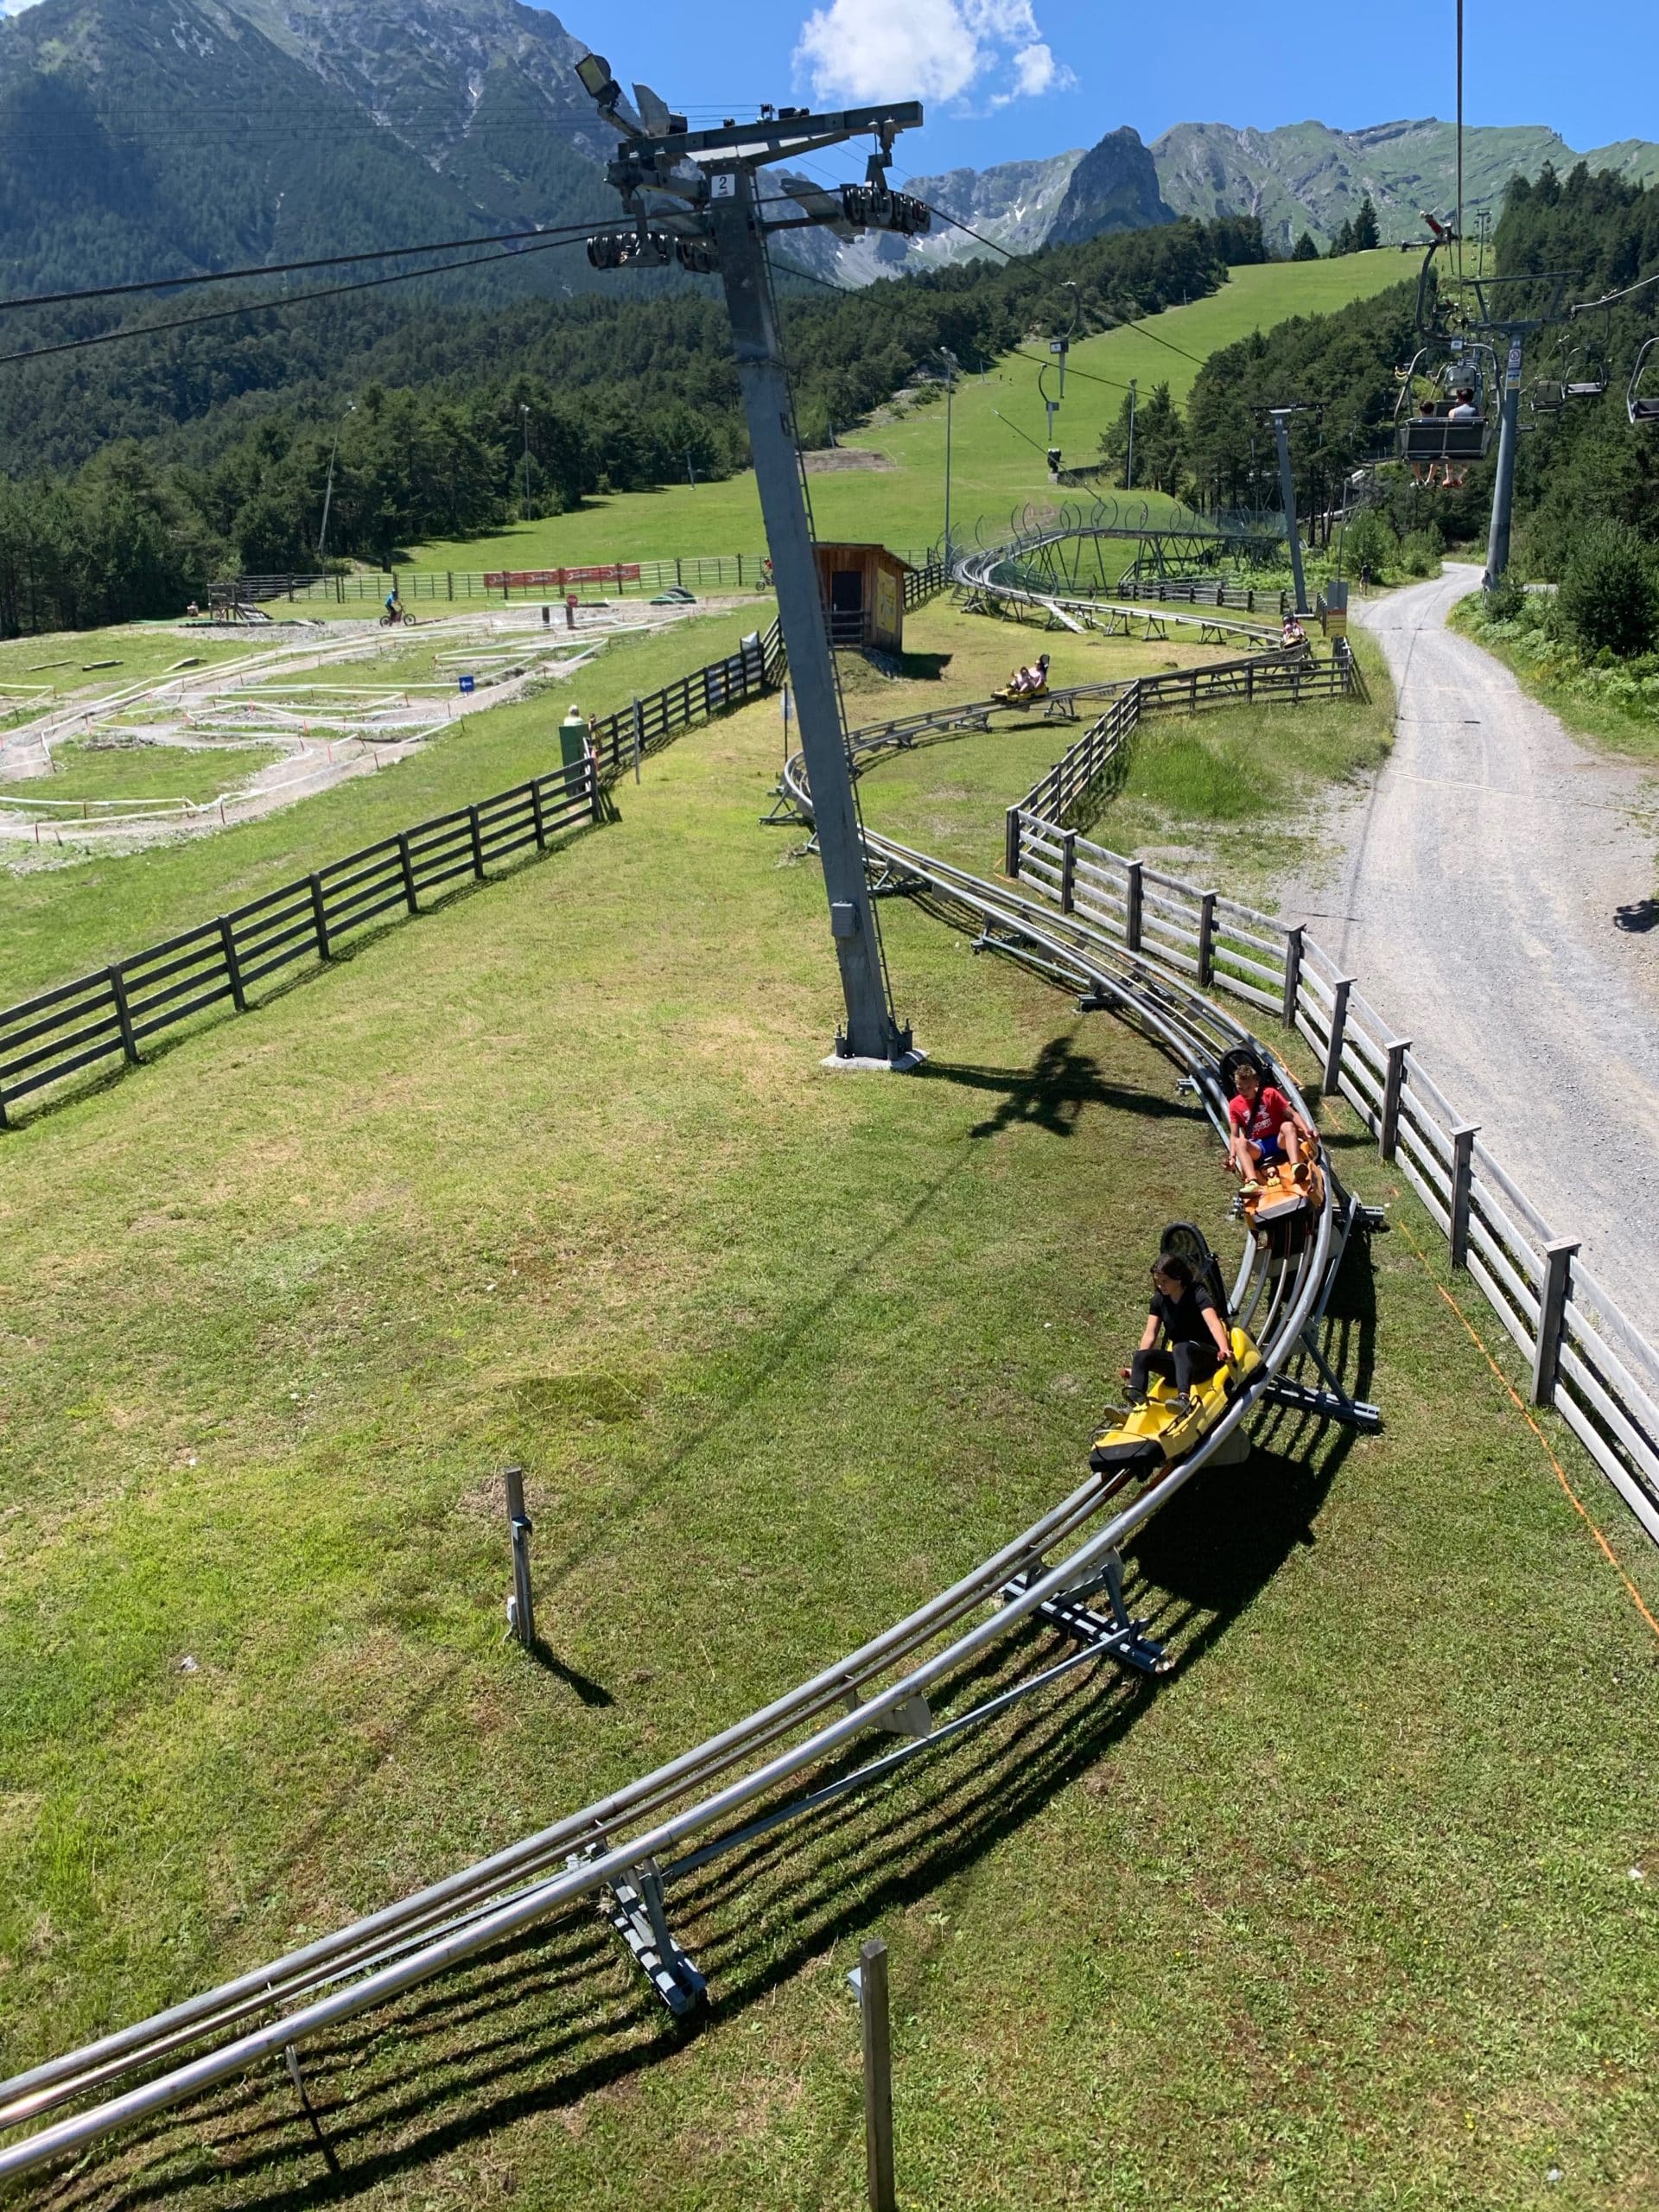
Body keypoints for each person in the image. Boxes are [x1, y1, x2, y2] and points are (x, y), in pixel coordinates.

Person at [1128, 1249, 1235, 1413]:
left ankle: (1183, 1399)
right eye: (1157, 1281)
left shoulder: (1197, 1293)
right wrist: (1137, 1368)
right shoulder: (1158, 1300)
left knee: (1181, 1347)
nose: (1159, 1285)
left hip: (1205, 1359)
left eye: (1165, 1281)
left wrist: (1224, 1349)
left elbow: (1213, 1323)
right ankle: (1134, 1403)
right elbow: (1150, 1334)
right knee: (1141, 1355)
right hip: (1181, 1363)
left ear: (1178, 1278)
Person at [1226, 1054, 1315, 1182]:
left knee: (1288, 1126)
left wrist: (1306, 1130)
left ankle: (1295, 1166)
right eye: (1240, 1088)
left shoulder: (1270, 1094)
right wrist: (1232, 1157)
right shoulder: (1234, 1105)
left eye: (1248, 1087)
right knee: (1240, 1142)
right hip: (1258, 1146)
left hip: (1278, 1140)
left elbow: (1292, 1114)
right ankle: (1252, 1181)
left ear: (1256, 1083)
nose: (1244, 1092)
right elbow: (1234, 1135)